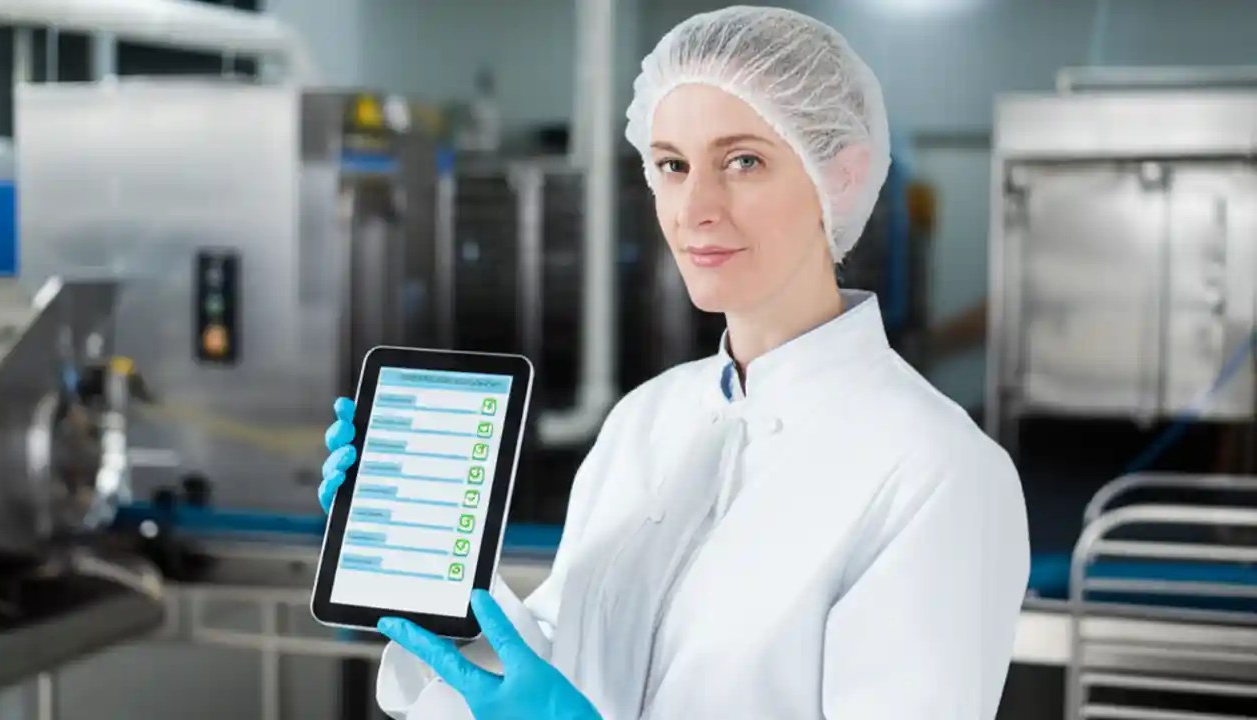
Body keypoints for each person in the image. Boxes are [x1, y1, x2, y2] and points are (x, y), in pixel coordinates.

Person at [320, 6, 1030, 719]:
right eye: (672, 165)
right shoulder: (646, 420)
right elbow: (564, 655)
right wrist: (429, 575)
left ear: (838, 179)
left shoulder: (938, 473)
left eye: (742, 161)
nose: (695, 207)